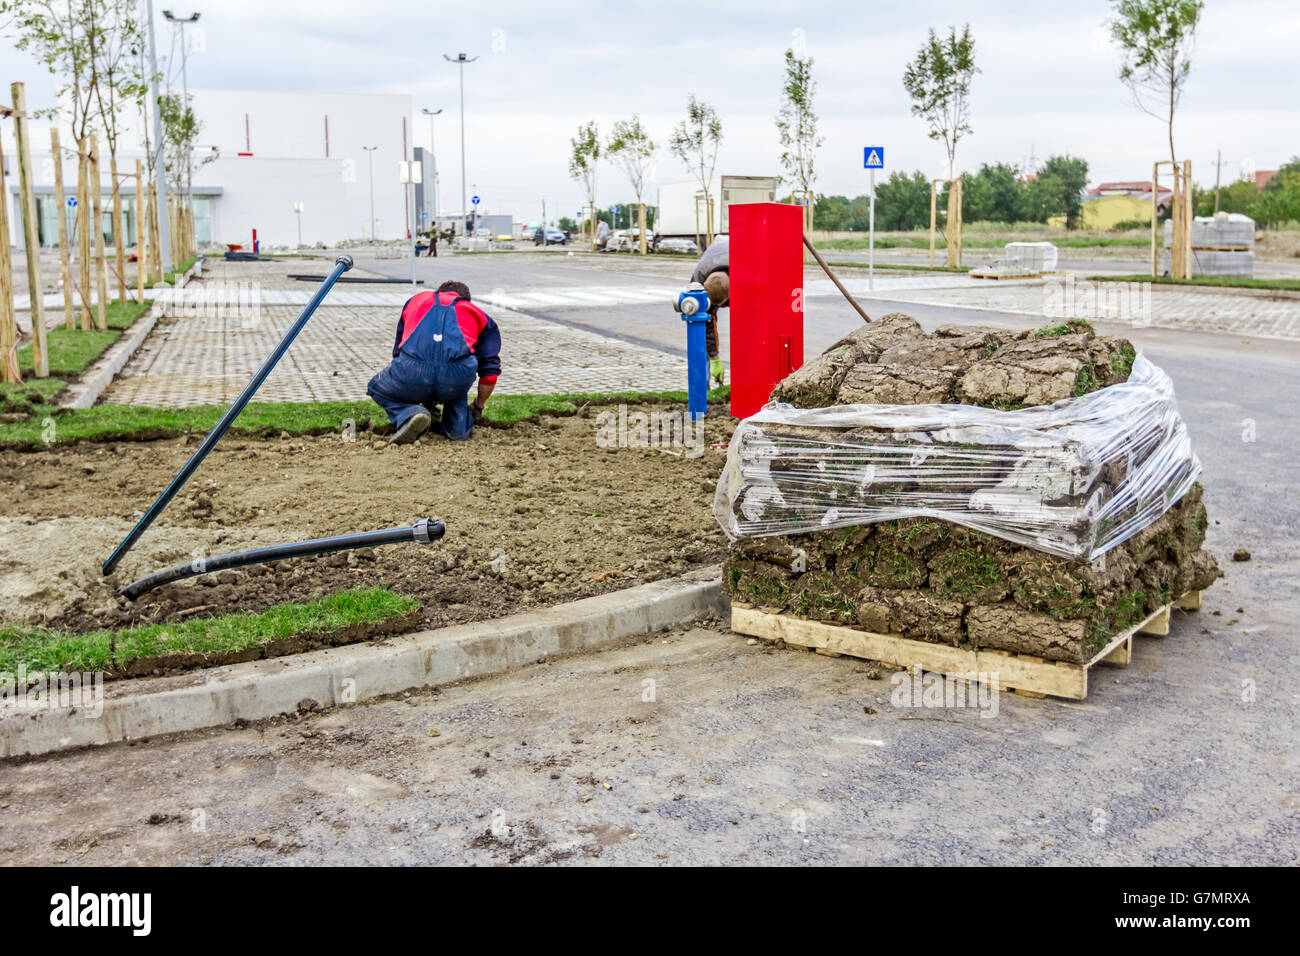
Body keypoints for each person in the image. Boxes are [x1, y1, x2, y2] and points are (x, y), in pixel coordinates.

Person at [367, 280, 501, 444]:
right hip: (455, 380)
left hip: (412, 372)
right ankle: (457, 429)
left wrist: (416, 389)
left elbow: (398, 353)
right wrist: (478, 407)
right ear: (466, 300)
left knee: (376, 387)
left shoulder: (416, 301)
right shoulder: (478, 314)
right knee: (457, 390)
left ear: (439, 292)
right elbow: (490, 374)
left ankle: (410, 413)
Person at [690, 236, 729, 387]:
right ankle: (703, 387)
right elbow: (707, 322)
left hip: (731, 260)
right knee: (699, 332)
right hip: (715, 260)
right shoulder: (698, 281)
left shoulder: (744, 272)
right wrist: (714, 358)